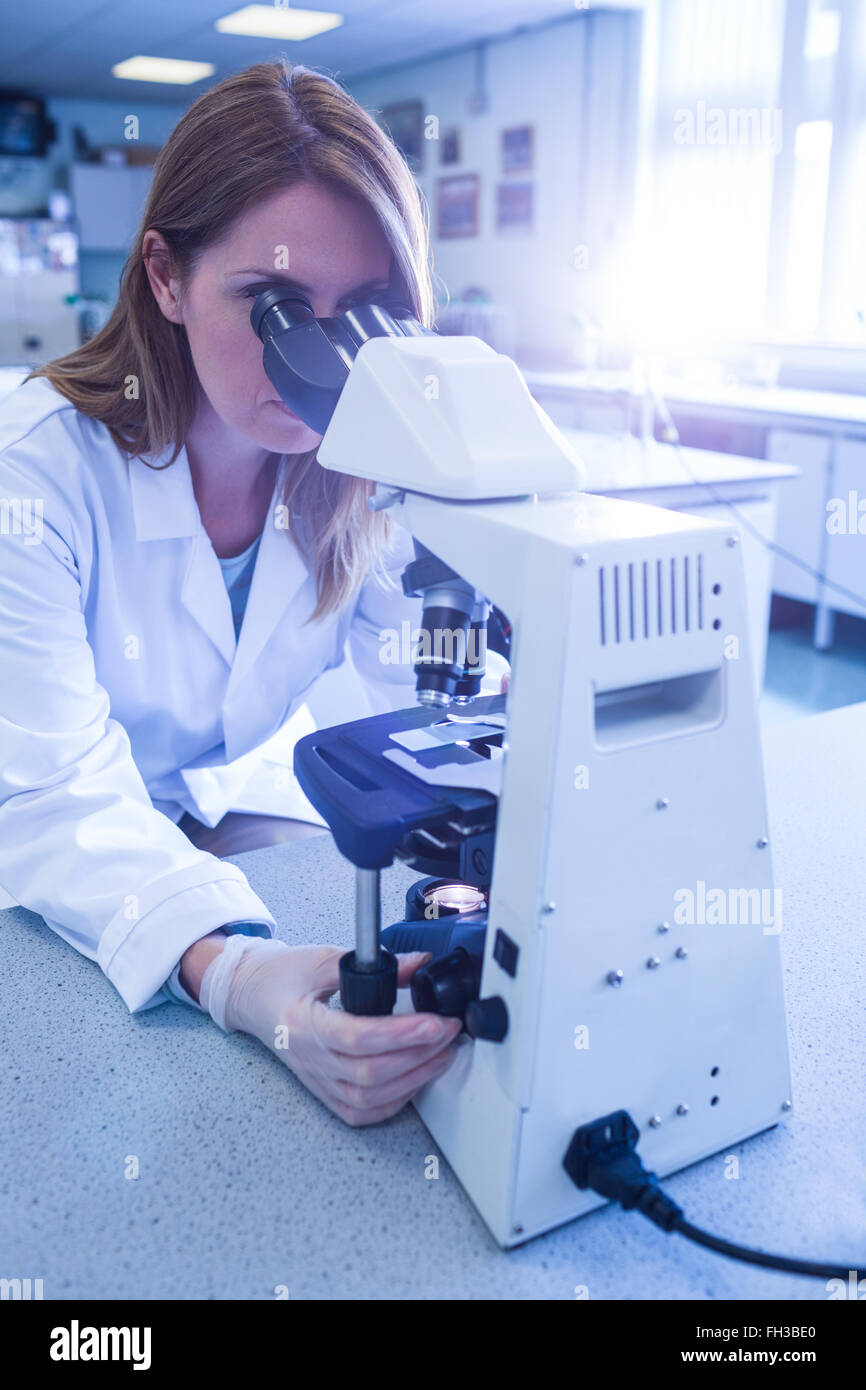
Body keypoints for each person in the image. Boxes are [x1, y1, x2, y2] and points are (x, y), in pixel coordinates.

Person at [0, 60, 489, 1126]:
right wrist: (235, 975)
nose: (315, 356)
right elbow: (49, 797)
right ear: (166, 278)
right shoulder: (32, 474)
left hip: (196, 807)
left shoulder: (357, 469)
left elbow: (408, 710)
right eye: (272, 307)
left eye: (358, 312)